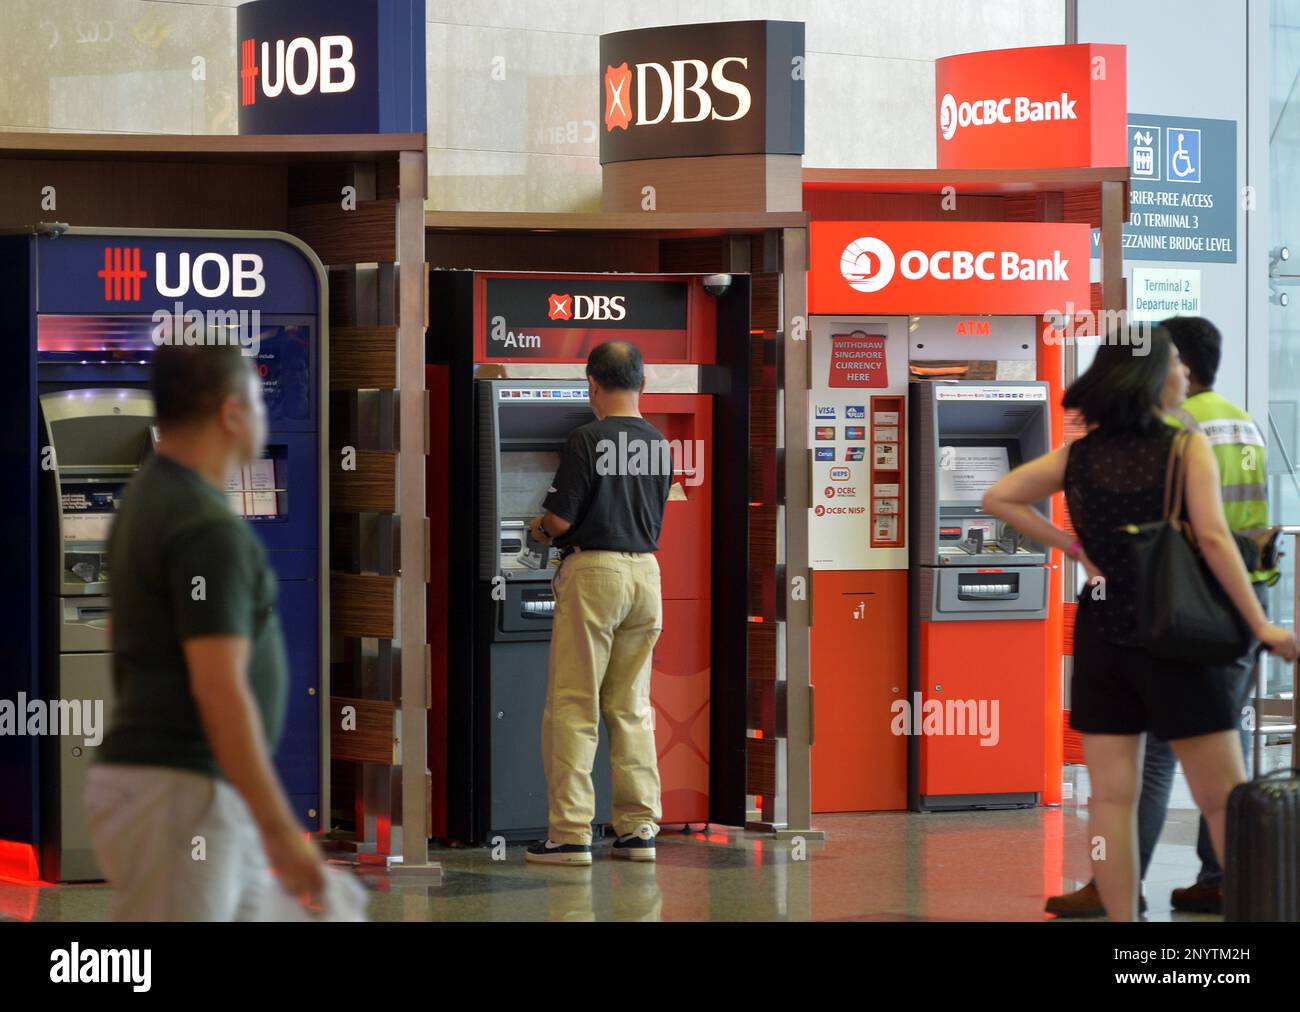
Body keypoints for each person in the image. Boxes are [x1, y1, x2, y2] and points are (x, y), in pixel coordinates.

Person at [982, 326, 1298, 921]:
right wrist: (1262, 624)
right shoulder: (1184, 447)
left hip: (1104, 635)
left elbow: (999, 497)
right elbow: (1211, 539)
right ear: (1151, 375)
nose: (1182, 373)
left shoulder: (1078, 455)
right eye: (1173, 363)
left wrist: (1072, 549)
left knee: (1110, 800)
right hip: (1181, 634)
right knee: (1222, 800)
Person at [86, 341, 327, 920]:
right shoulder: (203, 526)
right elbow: (219, 688)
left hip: (182, 787)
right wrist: (281, 831)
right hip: (182, 792)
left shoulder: (148, 498)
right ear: (232, 412)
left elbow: (120, 629)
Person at [524, 341, 671, 865]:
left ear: (592, 383)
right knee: (631, 708)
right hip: (646, 574)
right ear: (642, 382)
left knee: (573, 704)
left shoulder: (587, 438)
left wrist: (537, 531)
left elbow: (560, 520)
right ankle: (638, 830)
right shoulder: (660, 441)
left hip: (596, 574)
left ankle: (569, 834)